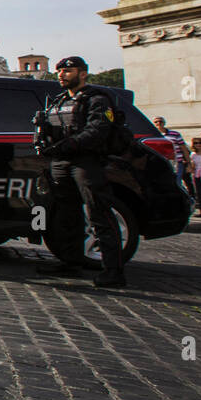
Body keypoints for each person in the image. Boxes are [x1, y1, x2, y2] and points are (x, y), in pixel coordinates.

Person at [34, 56, 125, 287]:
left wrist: (68, 145)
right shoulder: (58, 101)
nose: (61, 75)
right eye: (59, 72)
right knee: (67, 214)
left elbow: (98, 130)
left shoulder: (97, 99)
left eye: (68, 71)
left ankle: (113, 270)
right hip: (60, 162)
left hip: (86, 162)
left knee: (98, 213)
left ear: (82, 73)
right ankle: (70, 261)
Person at [152, 115, 189, 185]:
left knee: (177, 181)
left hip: (176, 162)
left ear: (164, 123)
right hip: (160, 162)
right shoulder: (152, 135)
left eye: (160, 121)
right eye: (156, 122)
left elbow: (183, 148)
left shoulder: (175, 134)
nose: (158, 123)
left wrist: (188, 163)